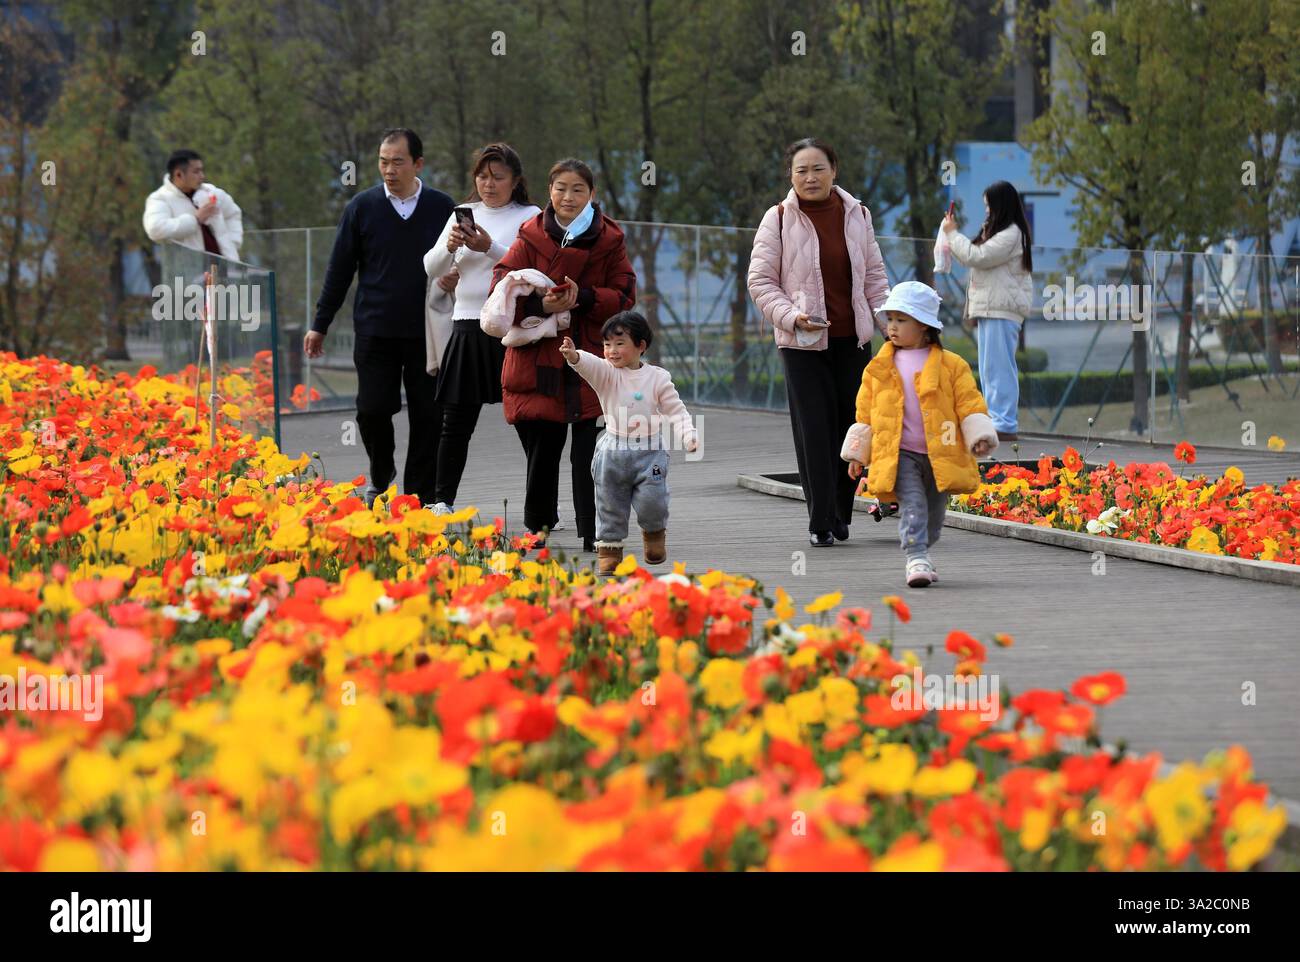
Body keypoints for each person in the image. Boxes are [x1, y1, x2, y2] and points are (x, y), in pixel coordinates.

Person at [747, 137, 891, 548]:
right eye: (801, 170)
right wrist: (792, 317)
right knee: (814, 430)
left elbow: (876, 279)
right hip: (802, 343)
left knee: (852, 427)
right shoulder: (777, 219)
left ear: (834, 170)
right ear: (790, 176)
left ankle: (841, 513)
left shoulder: (858, 214)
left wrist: (889, 325)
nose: (810, 177)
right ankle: (820, 520)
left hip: (854, 342)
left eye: (818, 168)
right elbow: (760, 282)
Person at [489, 158, 636, 552]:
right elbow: (500, 289)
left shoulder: (609, 240)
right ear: (548, 192)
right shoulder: (530, 236)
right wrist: (543, 307)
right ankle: (537, 529)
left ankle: (594, 533)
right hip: (541, 358)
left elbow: (624, 295)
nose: (567, 197)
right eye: (560, 189)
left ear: (592, 195)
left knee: (589, 453)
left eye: (577, 190)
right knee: (543, 448)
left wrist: (583, 298)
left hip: (590, 357)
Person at [308, 128, 454, 508]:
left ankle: (418, 497)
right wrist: (320, 323)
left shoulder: (443, 208)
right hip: (375, 329)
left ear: (418, 164)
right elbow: (339, 270)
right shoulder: (362, 207)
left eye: (398, 162)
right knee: (372, 410)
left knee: (428, 415)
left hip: (428, 331)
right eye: (383, 162)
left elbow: (465, 259)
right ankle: (380, 469)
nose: (389, 170)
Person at [842, 282, 998, 588]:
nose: (892, 327)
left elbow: (969, 403)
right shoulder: (878, 368)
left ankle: (924, 549)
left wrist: (978, 435)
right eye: (890, 320)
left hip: (942, 452)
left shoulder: (952, 366)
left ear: (925, 327)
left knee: (936, 516)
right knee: (912, 504)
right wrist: (858, 452)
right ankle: (915, 557)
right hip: (900, 453)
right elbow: (865, 412)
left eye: (902, 320)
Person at [422, 143, 541, 514]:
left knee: (529, 421)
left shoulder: (530, 215)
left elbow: (529, 266)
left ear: (515, 181)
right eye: (483, 176)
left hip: (510, 328)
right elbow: (431, 267)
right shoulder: (464, 212)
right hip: (466, 326)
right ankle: (442, 500)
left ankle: (542, 510)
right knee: (455, 422)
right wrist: (450, 245)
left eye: (498, 177)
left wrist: (489, 247)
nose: (489, 184)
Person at [558, 311, 697, 575]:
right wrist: (574, 356)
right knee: (609, 501)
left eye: (620, 343)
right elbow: (590, 364)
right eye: (607, 344)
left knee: (653, 500)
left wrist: (688, 435)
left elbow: (675, 410)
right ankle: (609, 549)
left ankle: (654, 533)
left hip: (650, 451)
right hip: (613, 450)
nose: (611, 351)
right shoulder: (607, 374)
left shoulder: (658, 377)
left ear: (641, 346)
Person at [941, 180, 1034, 442]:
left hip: (1000, 310)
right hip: (993, 309)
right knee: (990, 368)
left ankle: (1004, 422)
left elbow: (977, 257)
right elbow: (973, 255)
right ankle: (998, 419)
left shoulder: (1011, 233)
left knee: (999, 367)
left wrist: (951, 234)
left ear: (1000, 206)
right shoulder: (1003, 232)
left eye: (989, 207)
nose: (987, 212)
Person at [142, 149, 244, 261]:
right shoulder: (160, 199)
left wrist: (233, 243)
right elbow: (155, 229)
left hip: (222, 269)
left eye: (202, 171)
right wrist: (195, 220)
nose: (202, 176)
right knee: (178, 279)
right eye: (196, 172)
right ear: (179, 175)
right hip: (181, 273)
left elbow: (233, 214)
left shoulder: (211, 191)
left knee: (223, 279)